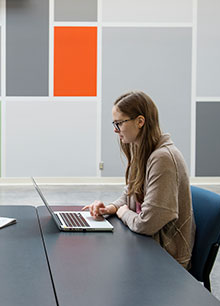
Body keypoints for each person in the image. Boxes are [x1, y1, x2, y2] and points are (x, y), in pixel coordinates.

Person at [83, 91, 195, 269]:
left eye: (119, 123)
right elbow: (130, 196)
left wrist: (123, 213)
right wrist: (111, 208)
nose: (115, 129)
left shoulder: (163, 159)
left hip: (166, 258)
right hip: (148, 245)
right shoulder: (143, 150)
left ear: (140, 121)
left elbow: (147, 224)